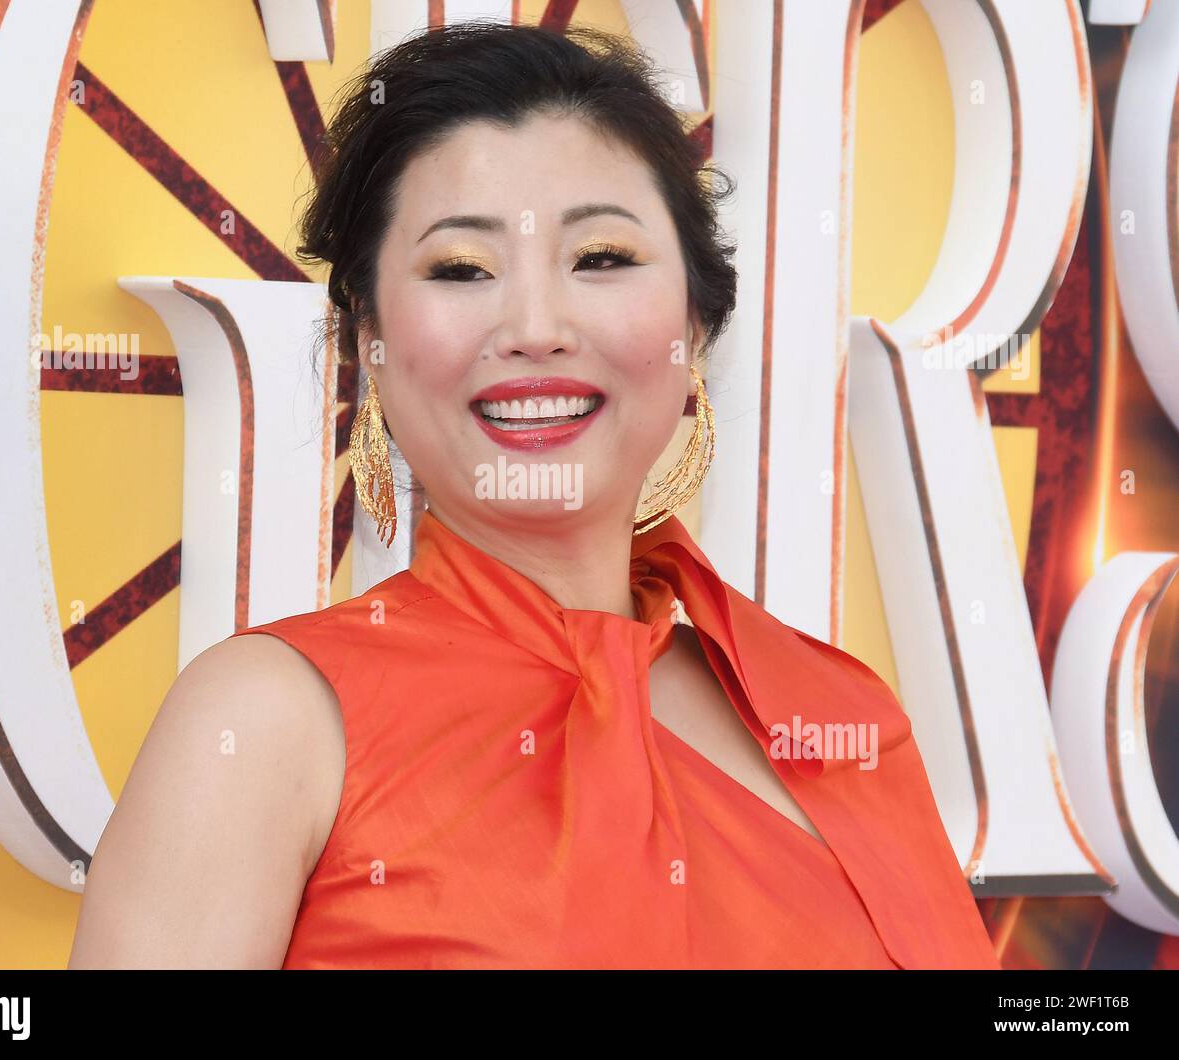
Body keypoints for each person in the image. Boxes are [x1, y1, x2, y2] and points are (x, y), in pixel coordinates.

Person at [68, 21, 1000, 970]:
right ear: (367, 343)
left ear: (695, 327)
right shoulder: (266, 724)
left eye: (600, 258)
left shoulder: (829, 708)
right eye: (462, 270)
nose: (536, 327)